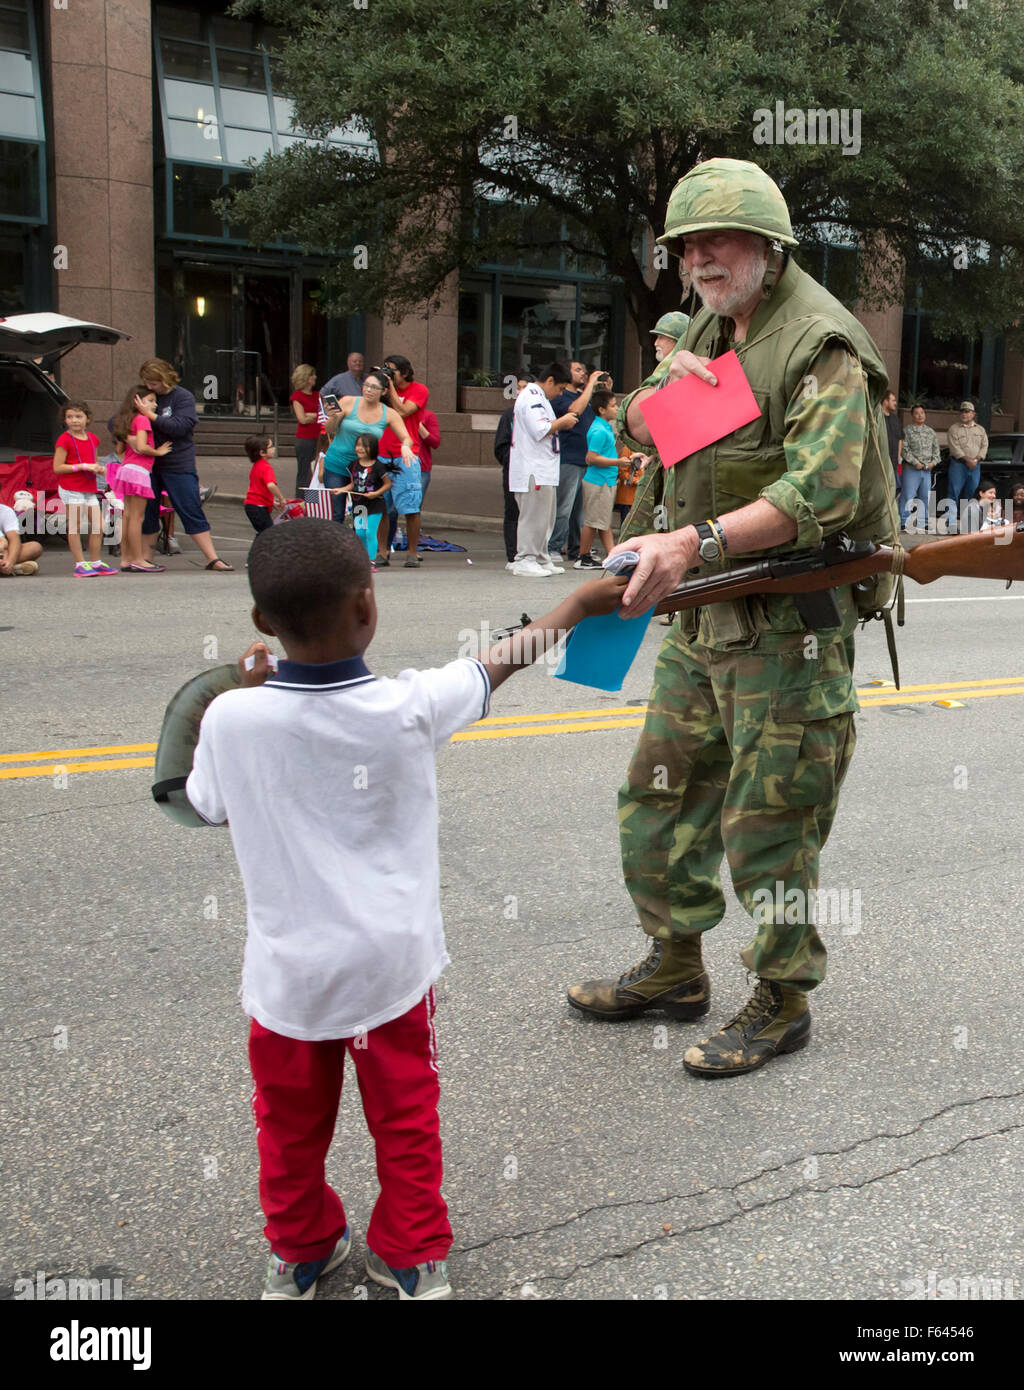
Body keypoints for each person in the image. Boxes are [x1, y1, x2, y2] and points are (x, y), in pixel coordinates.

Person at [183, 517, 626, 1300]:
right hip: (390, 971)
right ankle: (411, 1257)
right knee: (406, 1119)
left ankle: (302, 1251)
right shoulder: (409, 706)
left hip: (290, 984)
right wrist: (581, 605)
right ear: (369, 606)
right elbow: (498, 664)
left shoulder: (229, 720)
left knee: (287, 1132)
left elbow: (204, 805)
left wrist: (244, 693)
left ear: (262, 623)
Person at [566, 157, 900, 1078]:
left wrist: (693, 544)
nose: (703, 258)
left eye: (720, 239)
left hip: (789, 631)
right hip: (702, 621)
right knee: (657, 797)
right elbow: (670, 435)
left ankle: (783, 999)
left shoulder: (820, 345)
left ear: (767, 243)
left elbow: (819, 493)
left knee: (772, 825)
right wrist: (642, 445)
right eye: (688, 244)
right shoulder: (714, 325)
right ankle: (675, 968)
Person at [136, 359, 233, 571]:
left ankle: (212, 558)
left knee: (189, 506)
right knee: (148, 511)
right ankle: (146, 558)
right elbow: (120, 419)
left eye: (153, 383)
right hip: (148, 464)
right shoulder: (144, 395)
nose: (150, 387)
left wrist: (150, 415)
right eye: (147, 383)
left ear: (164, 378)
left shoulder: (183, 397)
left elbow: (180, 427)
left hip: (177, 461)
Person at [320, 373, 415, 561]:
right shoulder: (348, 401)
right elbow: (329, 430)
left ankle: (356, 555)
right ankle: (333, 556)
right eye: (366, 386)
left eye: (374, 387)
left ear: (384, 391)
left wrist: (405, 447)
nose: (368, 390)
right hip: (337, 463)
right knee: (337, 512)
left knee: (360, 513)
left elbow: (406, 437)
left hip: (363, 470)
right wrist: (334, 417)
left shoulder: (388, 413)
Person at [507, 362, 581, 577]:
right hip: (533, 468)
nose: (559, 395)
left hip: (543, 467)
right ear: (550, 381)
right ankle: (525, 558)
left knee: (545, 516)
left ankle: (540, 556)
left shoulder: (540, 397)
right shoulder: (531, 396)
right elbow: (540, 429)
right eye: (559, 389)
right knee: (533, 516)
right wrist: (563, 422)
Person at [548, 362, 605, 563]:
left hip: (586, 459)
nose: (583, 373)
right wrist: (590, 385)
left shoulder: (586, 397)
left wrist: (604, 390)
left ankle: (578, 549)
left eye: (584, 371)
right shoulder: (561, 396)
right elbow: (574, 411)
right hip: (568, 459)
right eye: (577, 370)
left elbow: (602, 413)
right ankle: (554, 547)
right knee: (564, 507)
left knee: (581, 512)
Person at [53, 401, 118, 577]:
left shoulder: (92, 439)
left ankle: (95, 562)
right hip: (70, 488)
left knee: (99, 526)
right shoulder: (64, 439)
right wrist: (81, 467)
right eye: (70, 417)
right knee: (75, 526)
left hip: (88, 488)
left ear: (87, 418)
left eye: (78, 416)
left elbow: (93, 462)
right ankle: (80, 564)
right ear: (65, 419)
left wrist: (99, 468)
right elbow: (57, 467)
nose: (74, 420)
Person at [111, 385, 171, 572]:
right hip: (139, 471)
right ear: (137, 402)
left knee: (127, 516)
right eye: (150, 400)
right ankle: (138, 559)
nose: (154, 404)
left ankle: (126, 559)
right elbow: (144, 447)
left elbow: (119, 451)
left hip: (126, 470)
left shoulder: (126, 421)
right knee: (137, 518)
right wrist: (158, 452)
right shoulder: (143, 420)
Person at [377, 355, 429, 567]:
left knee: (410, 507)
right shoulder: (382, 391)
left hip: (406, 455)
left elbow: (402, 411)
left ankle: (412, 552)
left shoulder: (419, 390)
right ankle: (382, 552)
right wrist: (377, 384)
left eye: (391, 371)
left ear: (405, 373)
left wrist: (389, 387)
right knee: (381, 506)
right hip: (381, 453)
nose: (388, 375)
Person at [576, 389, 621, 568]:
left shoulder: (603, 427)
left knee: (601, 521)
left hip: (605, 480)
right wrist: (619, 462)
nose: (617, 408)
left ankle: (613, 556)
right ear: (602, 409)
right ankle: (583, 557)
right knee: (593, 522)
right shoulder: (599, 430)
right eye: (613, 405)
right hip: (599, 480)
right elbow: (591, 458)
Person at [334, 433, 394, 565]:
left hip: (375, 504)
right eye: (358, 445)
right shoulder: (353, 465)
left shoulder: (378, 466)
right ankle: (364, 560)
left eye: (364, 446)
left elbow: (388, 484)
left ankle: (371, 561)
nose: (359, 448)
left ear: (372, 448)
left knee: (370, 532)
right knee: (360, 533)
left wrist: (376, 493)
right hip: (359, 505)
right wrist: (342, 489)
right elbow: (353, 484)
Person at [494, 375, 530, 564]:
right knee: (513, 513)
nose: (520, 391)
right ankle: (513, 554)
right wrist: (514, 461)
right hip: (513, 472)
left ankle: (530, 552)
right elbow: (500, 447)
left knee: (531, 513)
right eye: (519, 387)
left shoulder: (538, 414)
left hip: (535, 473)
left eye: (525, 387)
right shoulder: (509, 416)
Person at [946, 400, 989, 530]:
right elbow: (954, 448)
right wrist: (967, 460)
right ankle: (951, 524)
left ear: (973, 414)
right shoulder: (954, 429)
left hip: (975, 467)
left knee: (971, 495)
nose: (964, 414)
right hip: (958, 465)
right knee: (953, 493)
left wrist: (976, 459)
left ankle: (968, 525)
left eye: (967, 411)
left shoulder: (981, 430)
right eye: (962, 411)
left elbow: (985, 445)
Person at [899, 404, 939, 532]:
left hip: (927, 471)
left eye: (922, 412)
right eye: (917, 413)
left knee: (925, 497)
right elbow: (904, 450)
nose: (920, 415)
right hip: (911, 469)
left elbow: (936, 452)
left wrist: (933, 463)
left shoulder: (930, 432)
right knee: (908, 496)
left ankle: (924, 522)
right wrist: (915, 463)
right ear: (912, 416)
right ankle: (902, 522)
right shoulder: (907, 431)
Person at [244, 435, 287, 534]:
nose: (274, 448)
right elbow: (271, 485)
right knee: (269, 535)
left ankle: (257, 549)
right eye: (271, 446)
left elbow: (258, 489)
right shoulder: (266, 467)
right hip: (259, 507)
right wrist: (281, 498)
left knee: (264, 534)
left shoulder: (257, 466)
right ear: (262, 453)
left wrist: (271, 502)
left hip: (252, 505)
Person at [290, 365, 321, 495]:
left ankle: (312, 503)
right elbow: (302, 419)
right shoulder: (297, 396)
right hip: (304, 439)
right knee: (304, 472)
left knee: (315, 471)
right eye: (312, 375)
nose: (315, 377)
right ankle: (301, 502)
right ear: (306, 378)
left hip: (319, 438)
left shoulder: (318, 395)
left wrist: (311, 415)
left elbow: (324, 414)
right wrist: (316, 415)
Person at [0, 501, 41, 576]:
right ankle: (13, 569)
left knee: (35, 547)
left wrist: (10, 560)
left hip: (2, 552)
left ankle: (7, 567)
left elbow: (14, 538)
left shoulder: (6, 511)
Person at [417, 406, 440, 506]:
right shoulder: (394, 414)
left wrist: (419, 426)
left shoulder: (428, 415)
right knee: (391, 509)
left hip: (421, 468)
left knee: (415, 507)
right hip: (397, 466)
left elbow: (435, 442)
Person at [881, 390, 902, 485]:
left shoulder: (895, 418)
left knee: (897, 487)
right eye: (893, 400)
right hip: (881, 463)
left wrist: (899, 458)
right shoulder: (877, 417)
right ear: (885, 401)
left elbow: (900, 438)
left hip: (895, 463)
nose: (895, 403)